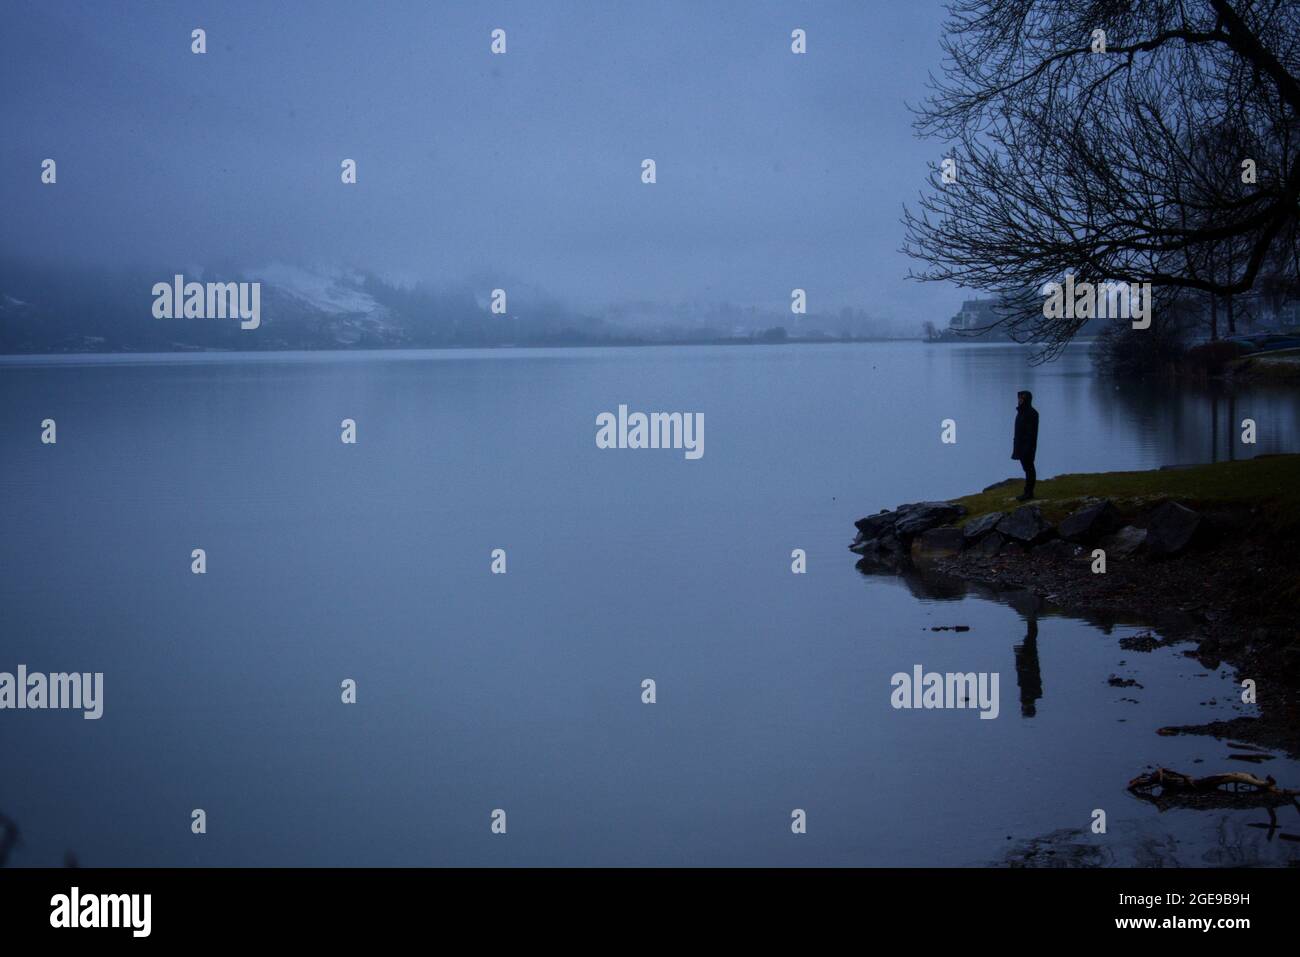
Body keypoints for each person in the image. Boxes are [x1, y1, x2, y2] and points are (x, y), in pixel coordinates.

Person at [1012, 390, 1039, 501]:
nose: (1019, 401)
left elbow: (1031, 433)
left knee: (1029, 468)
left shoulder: (1031, 413)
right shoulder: (1021, 412)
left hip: (1027, 447)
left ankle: (1029, 492)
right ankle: (1027, 492)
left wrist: (1027, 448)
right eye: (1019, 399)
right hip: (1020, 445)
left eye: (1022, 399)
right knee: (1027, 468)